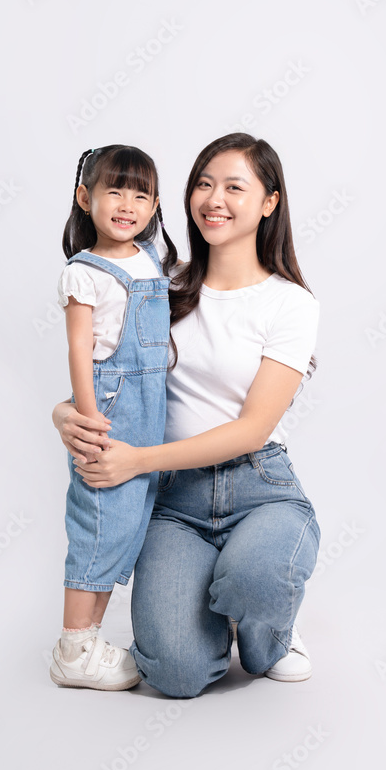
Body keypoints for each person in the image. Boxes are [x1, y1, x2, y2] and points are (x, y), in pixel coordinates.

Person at [53, 133, 321, 698]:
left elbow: (252, 428)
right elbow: (111, 371)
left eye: (233, 187)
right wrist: (65, 413)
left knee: (257, 578)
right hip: (174, 501)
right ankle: (218, 607)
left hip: (259, 485)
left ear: (270, 202)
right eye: (203, 184)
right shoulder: (157, 281)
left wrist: (137, 461)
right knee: (172, 675)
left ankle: (267, 633)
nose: (213, 199)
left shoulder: (290, 303)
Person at [49, 145, 177, 692]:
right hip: (114, 404)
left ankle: (90, 639)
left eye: (141, 194)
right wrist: (87, 416)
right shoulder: (85, 271)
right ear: (86, 198)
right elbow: (80, 350)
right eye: (114, 191)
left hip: (151, 410)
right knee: (99, 520)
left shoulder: (149, 257)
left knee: (126, 521)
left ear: (153, 207)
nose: (127, 204)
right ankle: (73, 647)